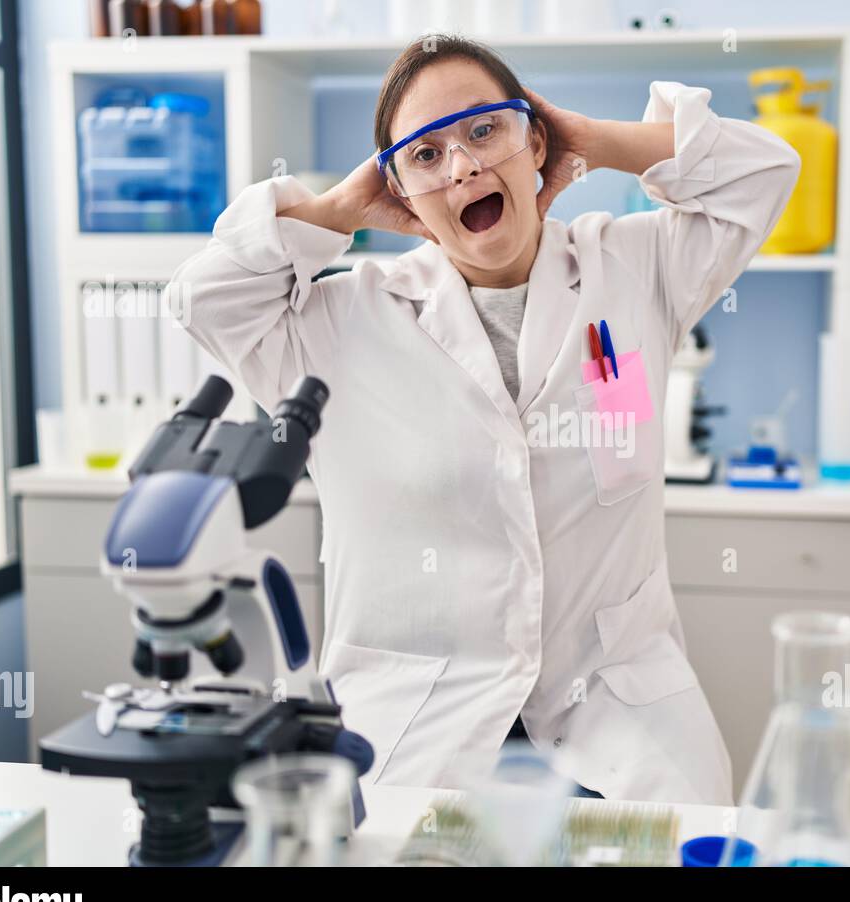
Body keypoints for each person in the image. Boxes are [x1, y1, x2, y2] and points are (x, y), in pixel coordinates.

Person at [166, 34, 800, 804]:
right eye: (424, 155)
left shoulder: (634, 266)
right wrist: (339, 211)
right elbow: (203, 300)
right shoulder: (340, 320)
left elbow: (764, 171)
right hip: (419, 724)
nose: (463, 165)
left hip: (618, 716)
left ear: (533, 137)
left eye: (483, 129)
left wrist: (588, 143)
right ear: (397, 190)